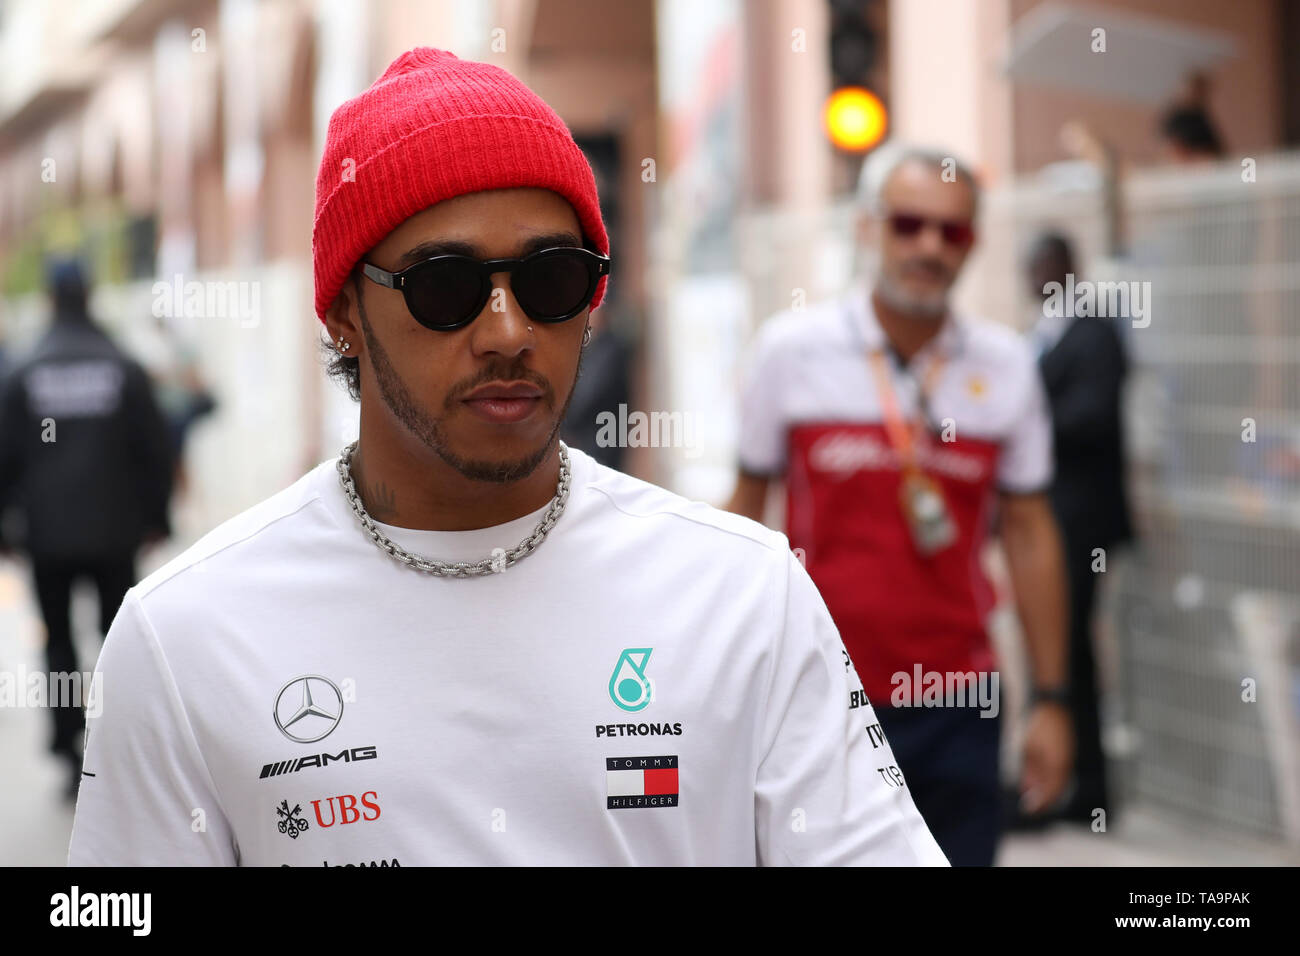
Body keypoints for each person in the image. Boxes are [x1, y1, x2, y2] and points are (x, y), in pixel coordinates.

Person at [68, 48, 947, 867]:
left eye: (551, 279)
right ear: (342, 312)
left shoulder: (745, 593)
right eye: (444, 285)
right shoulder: (185, 638)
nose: (509, 331)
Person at [726, 143, 1074, 865]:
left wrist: (1053, 699)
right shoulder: (790, 352)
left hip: (960, 700)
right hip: (819, 692)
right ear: (867, 227)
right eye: (909, 224)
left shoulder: (1006, 365)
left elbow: (1032, 535)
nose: (929, 246)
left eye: (953, 232)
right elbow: (741, 518)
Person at [0, 258, 174, 799]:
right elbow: (156, 448)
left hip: (48, 535)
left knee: (57, 642)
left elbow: (4, 457)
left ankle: (66, 745)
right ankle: (117, 745)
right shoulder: (121, 366)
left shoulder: (26, 371)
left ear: (51, 299)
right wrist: (156, 517)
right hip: (113, 532)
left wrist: (4, 529)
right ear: (90, 295)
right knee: (117, 639)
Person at [1024, 232, 1133, 825]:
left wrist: (1025, 422)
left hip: (1082, 523)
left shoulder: (1092, 330)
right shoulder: (1045, 332)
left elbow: (1090, 417)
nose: (1031, 275)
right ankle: (1063, 783)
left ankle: (1087, 788)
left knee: (1068, 650)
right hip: (1056, 519)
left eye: (1041, 265)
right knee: (1058, 650)